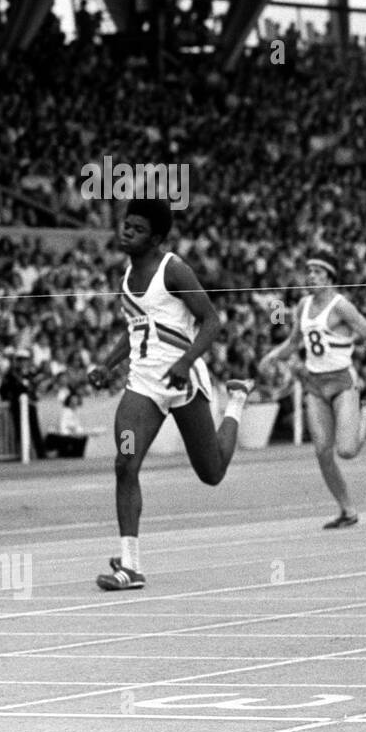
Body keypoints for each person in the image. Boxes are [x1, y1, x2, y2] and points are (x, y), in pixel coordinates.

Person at [88, 198, 253, 590]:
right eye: (126, 224)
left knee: (211, 473)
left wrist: (184, 363)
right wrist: (107, 365)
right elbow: (136, 331)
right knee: (125, 464)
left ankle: (237, 403)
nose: (127, 231)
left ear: (157, 238)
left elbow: (212, 322)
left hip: (184, 381)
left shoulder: (174, 270)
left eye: (138, 229)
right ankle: (130, 565)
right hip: (143, 386)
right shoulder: (126, 278)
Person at [258, 251, 366, 529]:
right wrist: (272, 355)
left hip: (341, 382)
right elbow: (294, 342)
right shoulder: (302, 305)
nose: (310, 276)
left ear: (329, 277)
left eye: (317, 271)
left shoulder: (342, 306)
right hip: (315, 384)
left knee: (347, 451)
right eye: (309, 271)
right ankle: (347, 510)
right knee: (322, 452)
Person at [0, 348, 47, 459]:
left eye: (25, 359)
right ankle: (22, 455)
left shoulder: (31, 373)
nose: (23, 362)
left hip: (30, 404)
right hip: (17, 405)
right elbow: (3, 390)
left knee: (35, 429)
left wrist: (34, 393)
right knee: (20, 430)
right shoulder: (11, 375)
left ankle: (41, 455)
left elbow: (34, 388)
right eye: (20, 360)